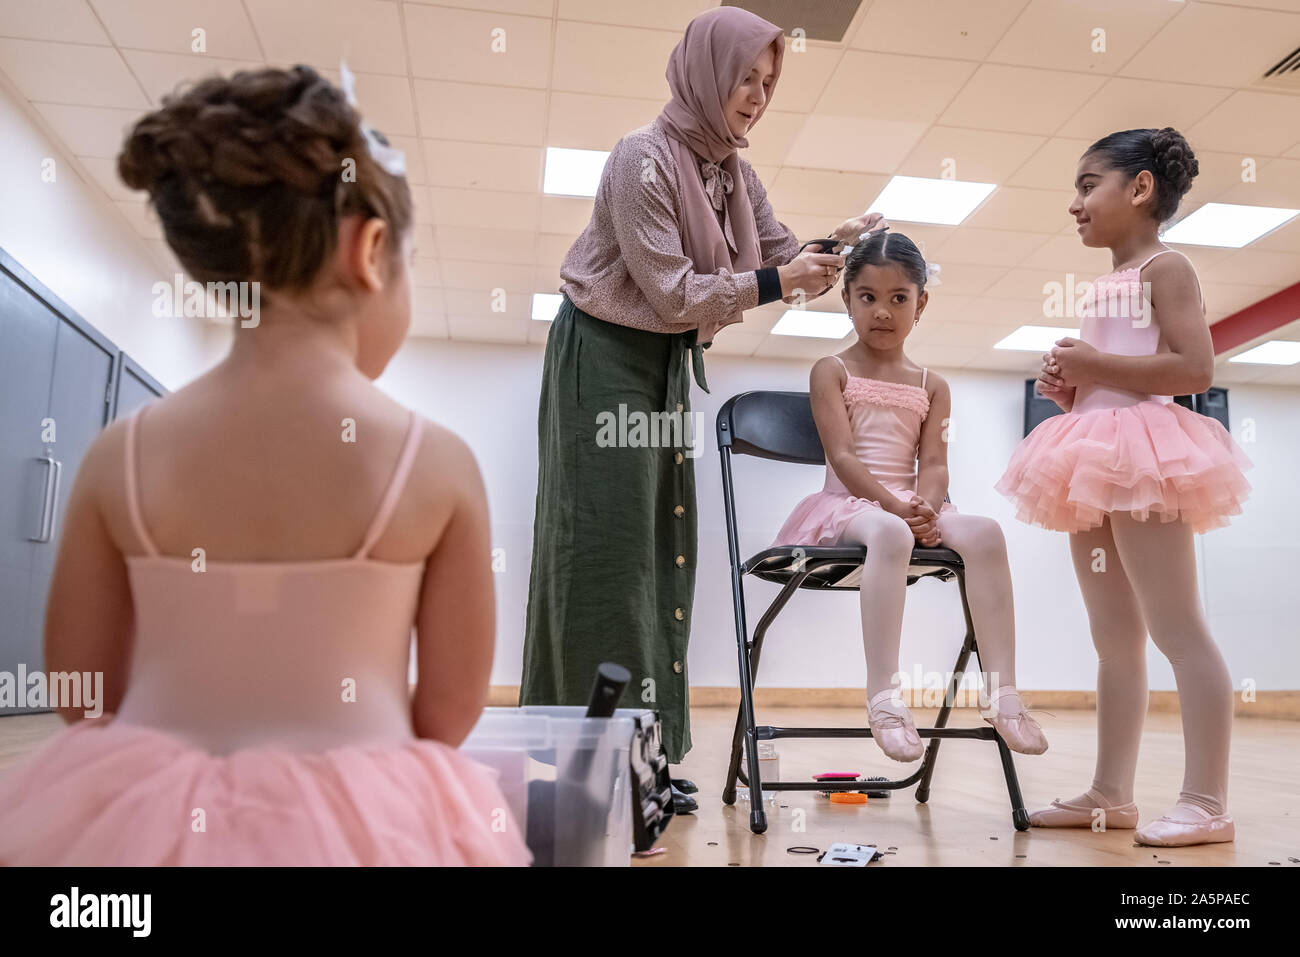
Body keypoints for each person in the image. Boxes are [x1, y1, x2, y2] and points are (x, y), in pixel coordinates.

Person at [0, 65, 531, 866]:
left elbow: (84, 690)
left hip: (141, 829)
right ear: (371, 249)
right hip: (371, 821)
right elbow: (450, 710)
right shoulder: (436, 464)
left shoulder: (122, 454)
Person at [520, 6, 880, 803]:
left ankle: (644, 760)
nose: (756, 95)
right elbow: (675, 291)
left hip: (664, 361)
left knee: (659, 554)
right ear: (704, 73)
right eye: (744, 77)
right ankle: (585, 768)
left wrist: (836, 244)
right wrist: (780, 280)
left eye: (767, 80)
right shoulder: (640, 161)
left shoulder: (731, 173)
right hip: (604, 359)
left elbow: (779, 255)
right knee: (604, 559)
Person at [996, 127, 1253, 847]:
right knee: (1113, 635)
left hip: (1149, 456)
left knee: (1177, 627)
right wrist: (1073, 388)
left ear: (1139, 188)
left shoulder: (1166, 270)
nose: (1074, 204)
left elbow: (1193, 370)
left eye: (1087, 186)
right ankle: (1111, 792)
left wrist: (1097, 365)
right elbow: (1116, 379)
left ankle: (1207, 800)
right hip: (1094, 453)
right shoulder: (1108, 280)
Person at [773, 231, 1048, 763]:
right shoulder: (832, 370)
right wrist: (899, 509)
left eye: (899, 297)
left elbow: (936, 463)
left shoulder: (932, 384)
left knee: (985, 533)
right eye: (869, 297)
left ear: (921, 304)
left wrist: (926, 506)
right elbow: (845, 459)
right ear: (847, 298)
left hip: (914, 505)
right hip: (852, 505)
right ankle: (884, 697)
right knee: (891, 530)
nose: (883, 310)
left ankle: (1004, 695)